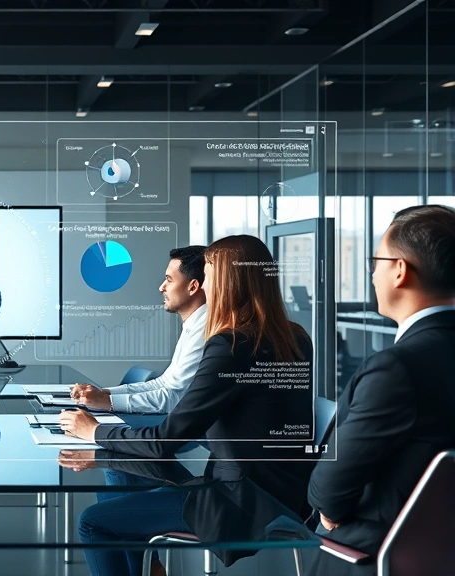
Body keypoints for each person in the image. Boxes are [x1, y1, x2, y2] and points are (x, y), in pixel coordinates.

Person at [60, 235, 315, 576]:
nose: (205, 288)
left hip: (237, 502)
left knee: (93, 523)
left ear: (226, 282)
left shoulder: (231, 344)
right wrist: (105, 446)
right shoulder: (295, 336)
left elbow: (169, 438)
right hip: (285, 495)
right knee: (120, 469)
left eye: (208, 276)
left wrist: (95, 432)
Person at [306, 205, 455, 576]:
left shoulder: (398, 367)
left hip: (384, 553)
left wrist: (329, 511)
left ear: (400, 270)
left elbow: (328, 493)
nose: (373, 272)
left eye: (377, 261)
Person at [71, 246, 208, 413]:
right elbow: (163, 383)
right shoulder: (194, 324)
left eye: (169, 280)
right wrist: (102, 394)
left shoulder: (204, 327)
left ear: (192, 287)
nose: (161, 287)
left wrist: (107, 401)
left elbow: (175, 397)